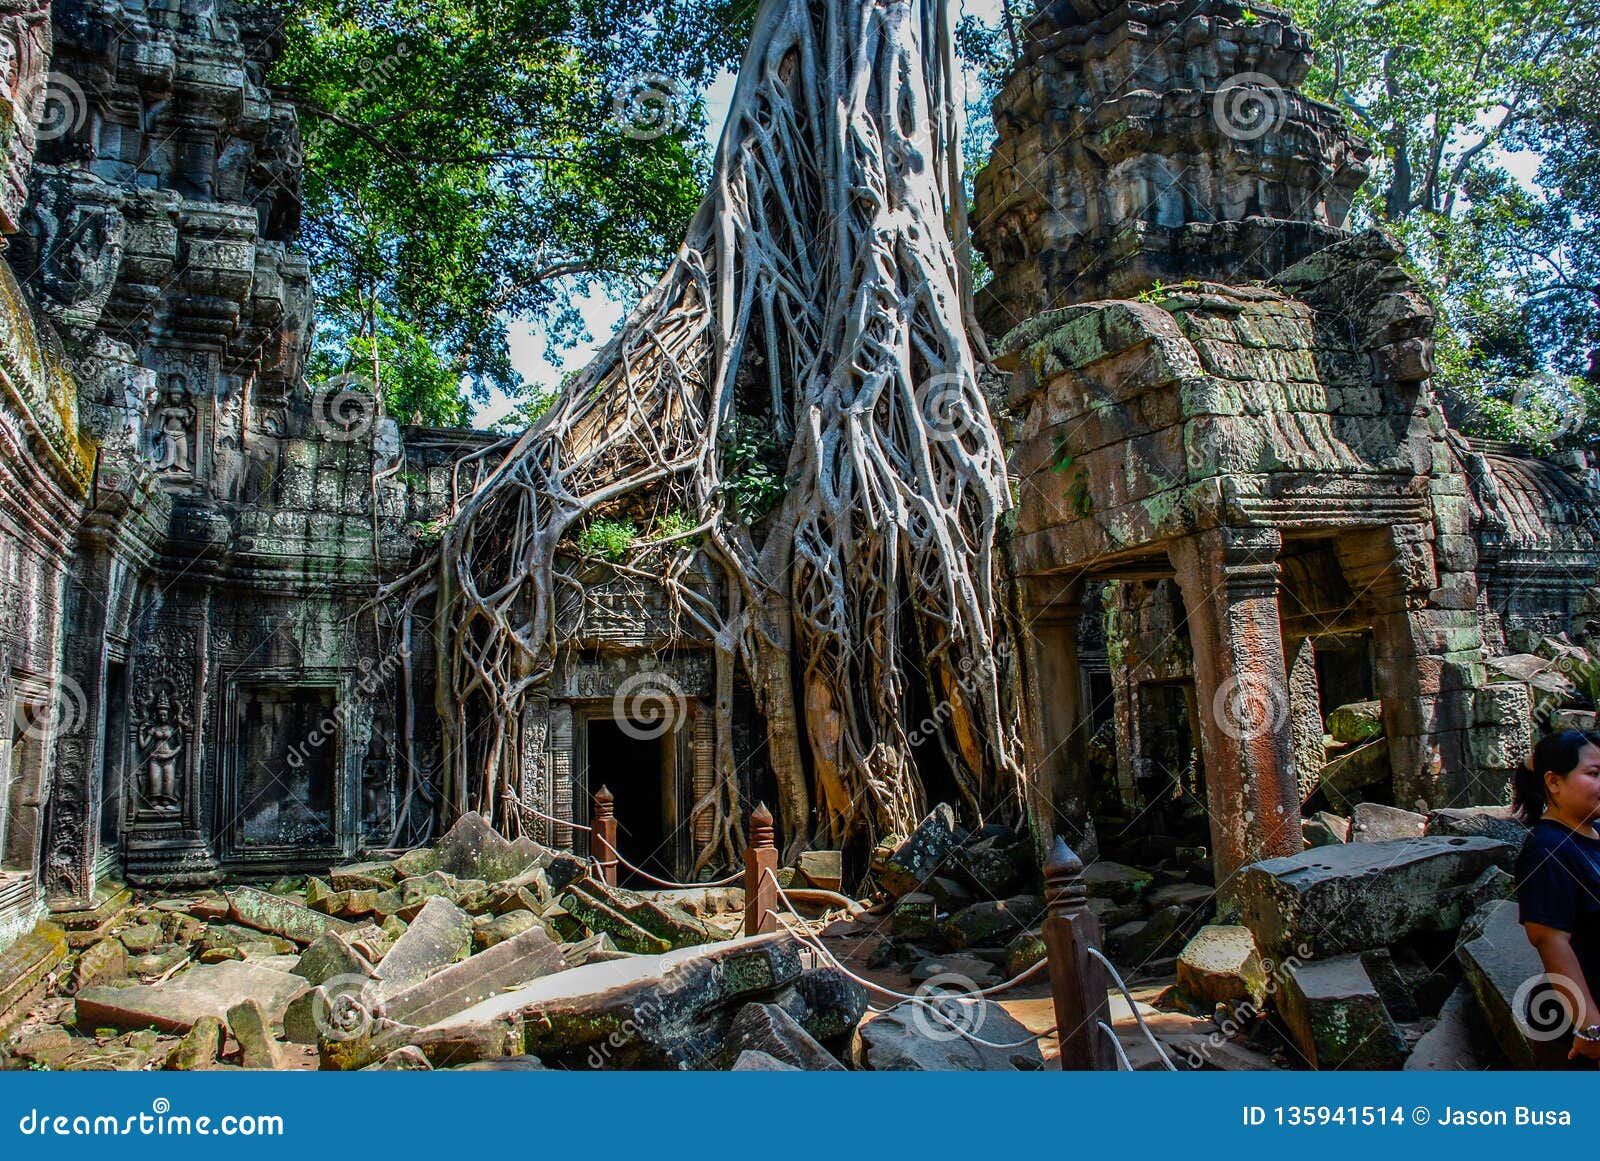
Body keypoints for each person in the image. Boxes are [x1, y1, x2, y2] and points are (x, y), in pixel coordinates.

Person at [1514, 729, 1600, 1064]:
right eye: (1594, 774)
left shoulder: (1593, 834)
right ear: (1553, 782)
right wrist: (1589, 1027)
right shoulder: (1547, 850)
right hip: (1577, 1031)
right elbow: (1551, 942)